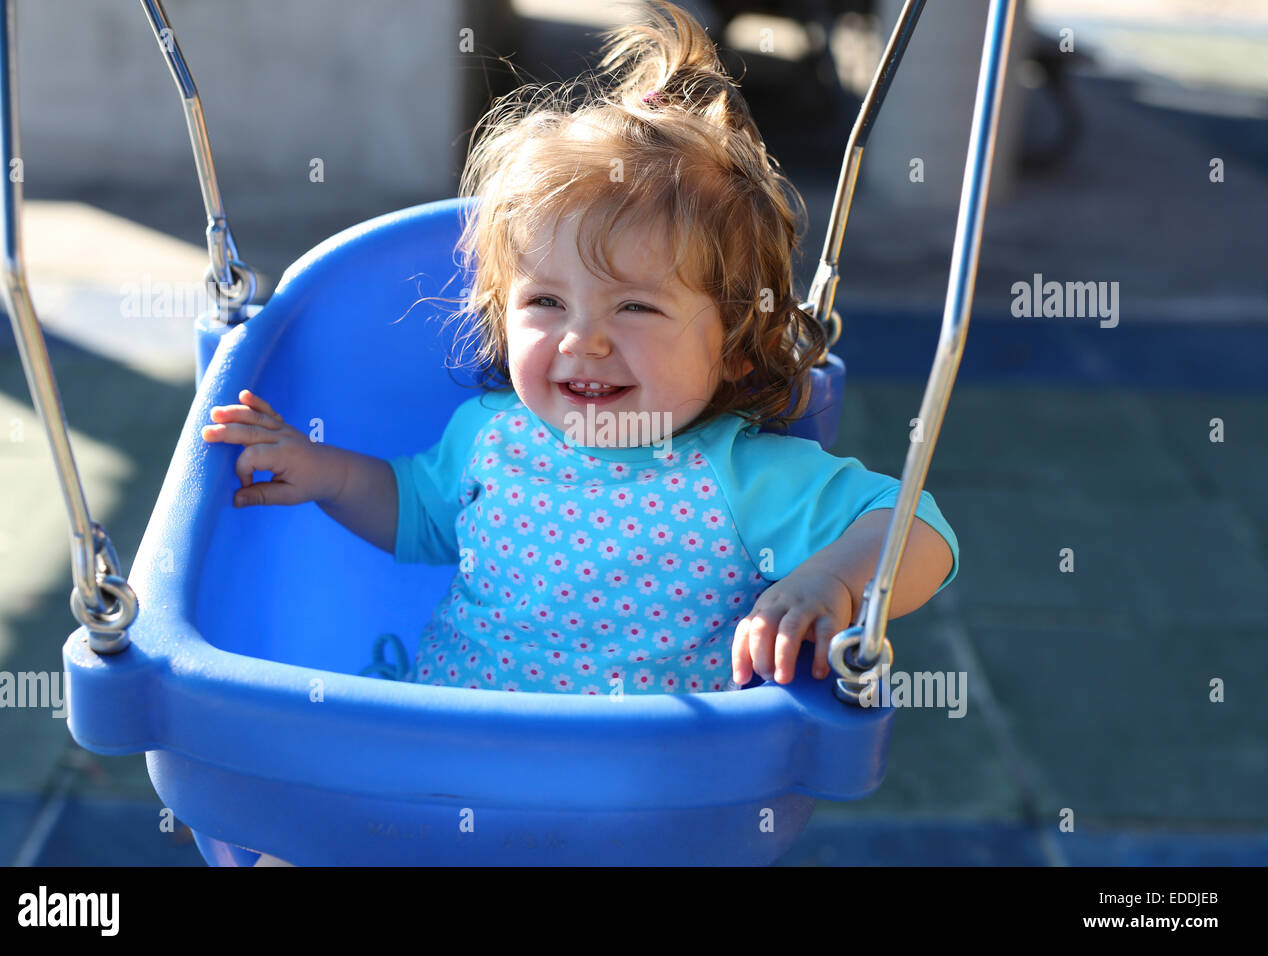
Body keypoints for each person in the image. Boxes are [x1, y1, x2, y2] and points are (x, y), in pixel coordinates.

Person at [200, 0, 958, 695]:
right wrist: (321, 470)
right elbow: (415, 511)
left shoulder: (740, 475)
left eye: (634, 306)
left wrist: (833, 580)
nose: (583, 338)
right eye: (545, 302)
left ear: (733, 345)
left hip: (630, 800)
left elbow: (918, 527)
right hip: (443, 757)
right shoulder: (490, 435)